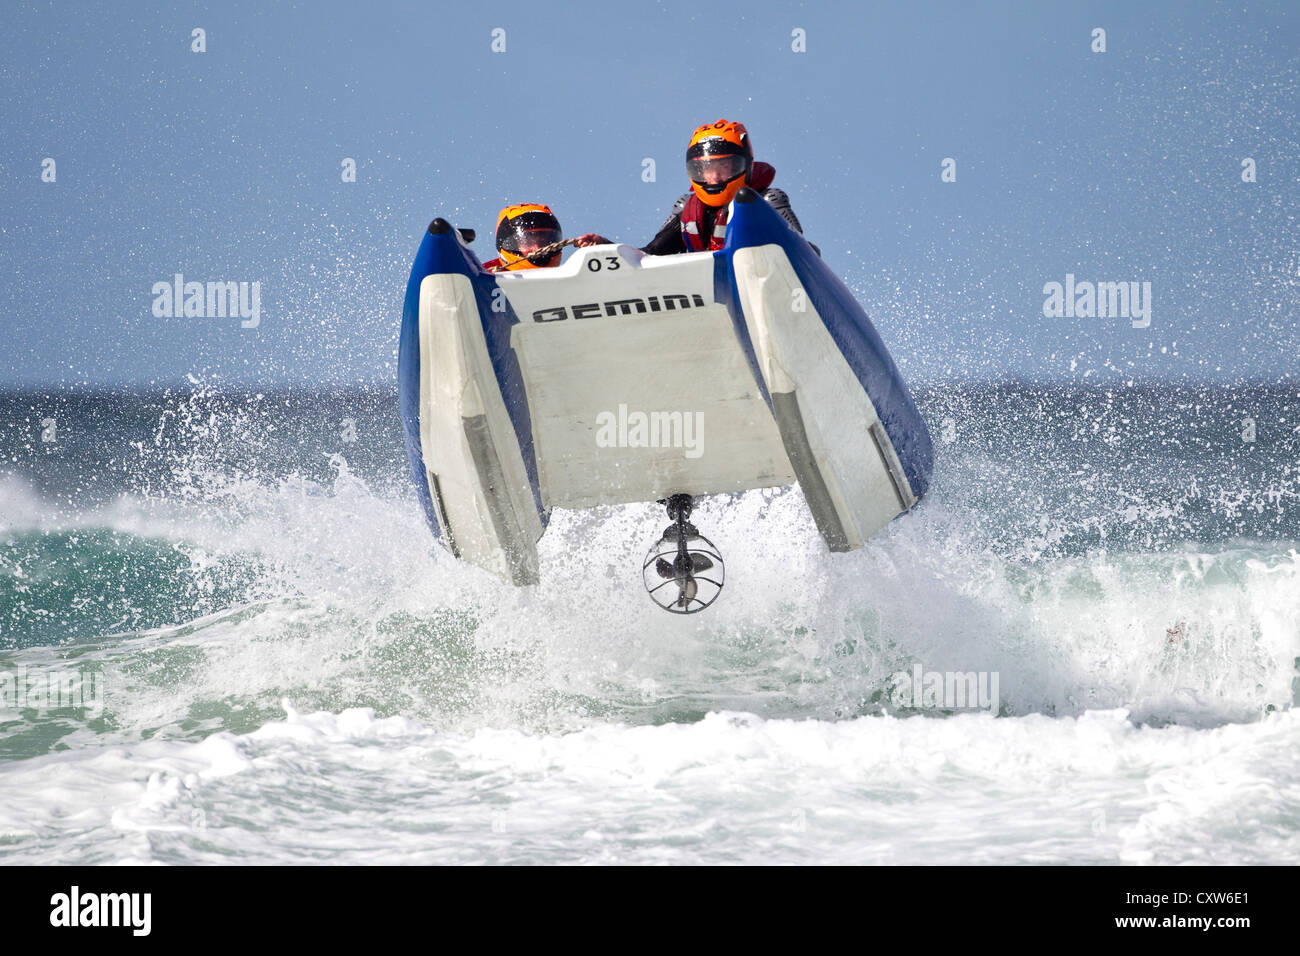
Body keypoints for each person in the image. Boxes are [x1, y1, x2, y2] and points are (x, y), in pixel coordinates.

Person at [642, 119, 812, 256]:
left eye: (724, 167)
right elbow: (653, 254)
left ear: (746, 166)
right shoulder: (685, 207)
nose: (715, 178)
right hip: (702, 289)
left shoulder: (768, 201)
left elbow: (802, 252)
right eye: (708, 169)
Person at [482, 203, 610, 272]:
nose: (537, 248)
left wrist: (605, 249)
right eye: (527, 241)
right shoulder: (480, 278)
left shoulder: (571, 280)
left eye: (544, 241)